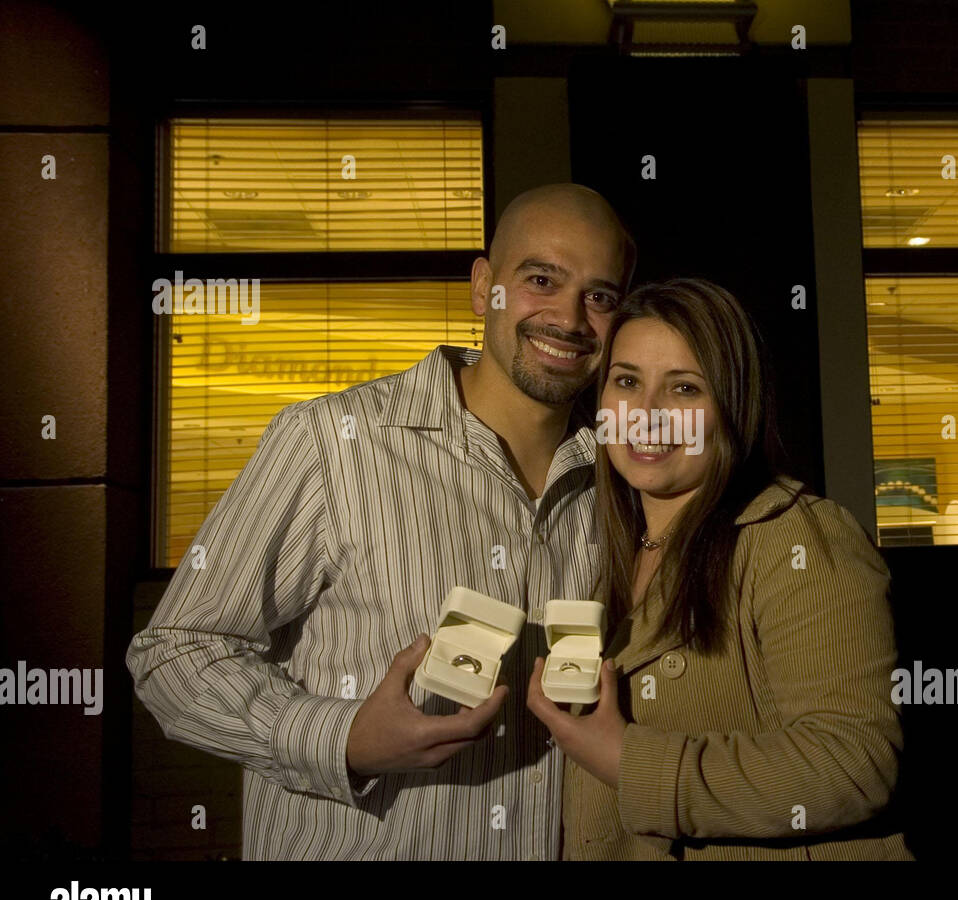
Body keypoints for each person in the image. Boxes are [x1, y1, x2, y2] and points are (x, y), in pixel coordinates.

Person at [126, 183, 636, 860]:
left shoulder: (622, 480)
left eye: (599, 295)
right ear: (484, 288)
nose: (570, 318)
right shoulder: (329, 441)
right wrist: (342, 739)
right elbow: (172, 653)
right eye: (540, 278)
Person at [526, 278, 913, 860]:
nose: (647, 416)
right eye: (627, 381)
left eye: (684, 388)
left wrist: (629, 761)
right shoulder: (600, 541)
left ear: (732, 405)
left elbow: (852, 764)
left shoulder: (797, 536)